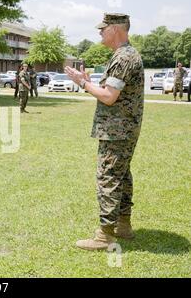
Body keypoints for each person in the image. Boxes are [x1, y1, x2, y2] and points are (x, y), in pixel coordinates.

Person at [65, 13, 144, 251]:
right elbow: (111, 91)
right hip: (122, 128)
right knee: (121, 176)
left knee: (108, 178)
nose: (100, 32)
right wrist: (89, 82)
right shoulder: (124, 55)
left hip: (117, 130)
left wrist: (83, 84)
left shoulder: (124, 57)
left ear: (116, 30)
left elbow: (109, 98)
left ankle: (104, 236)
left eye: (103, 29)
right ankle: (123, 225)